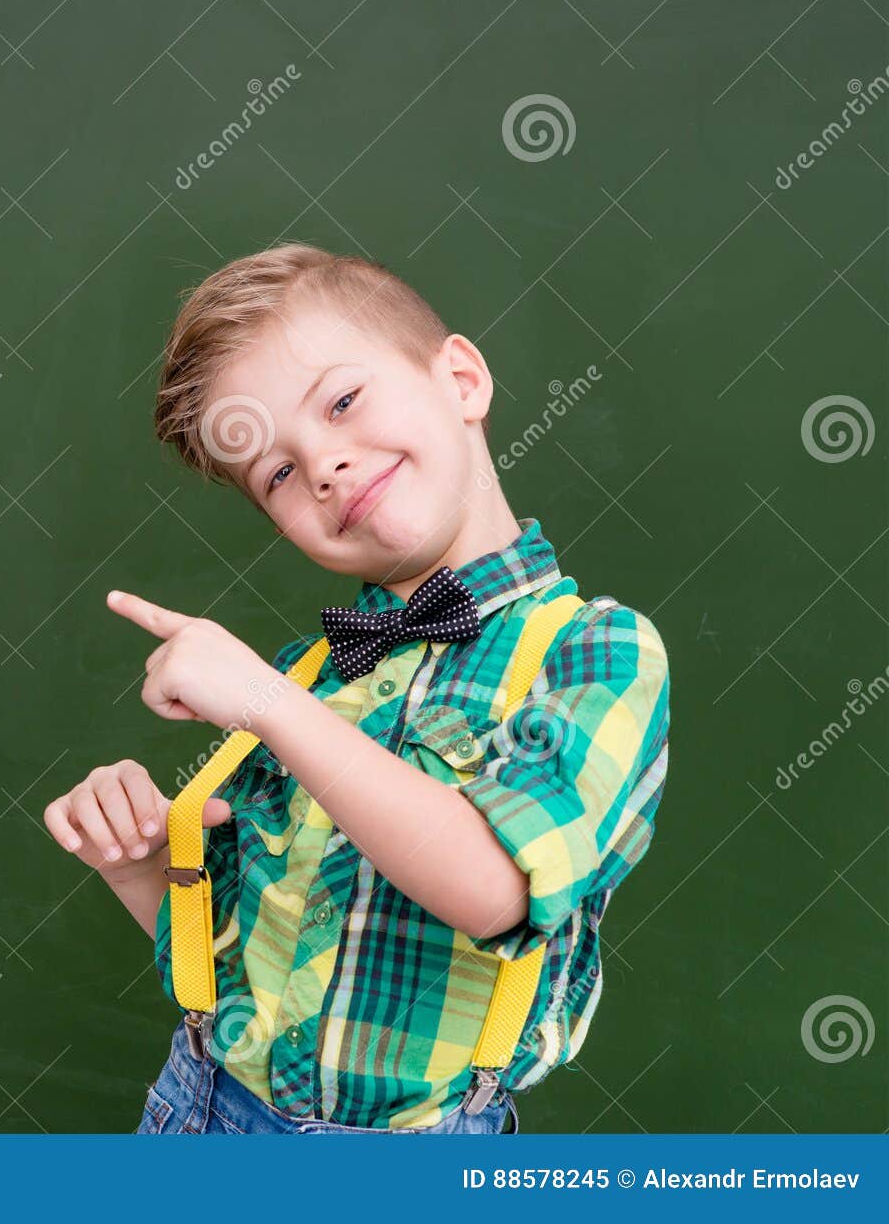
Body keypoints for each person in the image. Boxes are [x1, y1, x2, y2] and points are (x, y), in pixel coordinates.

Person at [42, 243, 671, 1135]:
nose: (326, 465)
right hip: (199, 1112)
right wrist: (141, 862)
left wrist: (266, 703)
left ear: (460, 379)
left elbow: (493, 886)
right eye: (281, 474)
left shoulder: (599, 652)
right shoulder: (311, 677)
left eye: (342, 402)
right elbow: (247, 966)